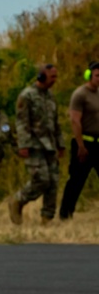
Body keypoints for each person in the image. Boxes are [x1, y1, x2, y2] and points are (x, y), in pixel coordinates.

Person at [9, 64, 64, 225]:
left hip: (50, 145)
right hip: (34, 145)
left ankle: (47, 218)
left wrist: (60, 144)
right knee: (41, 179)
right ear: (41, 76)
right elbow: (21, 122)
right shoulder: (27, 95)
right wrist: (24, 144)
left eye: (56, 76)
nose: (55, 80)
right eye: (52, 77)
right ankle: (18, 200)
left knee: (53, 181)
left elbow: (55, 122)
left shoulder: (50, 97)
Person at [59, 62, 99, 219]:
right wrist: (80, 145)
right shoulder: (80, 94)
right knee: (76, 180)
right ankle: (65, 213)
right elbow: (75, 121)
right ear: (89, 76)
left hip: (98, 143)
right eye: (97, 75)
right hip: (84, 143)